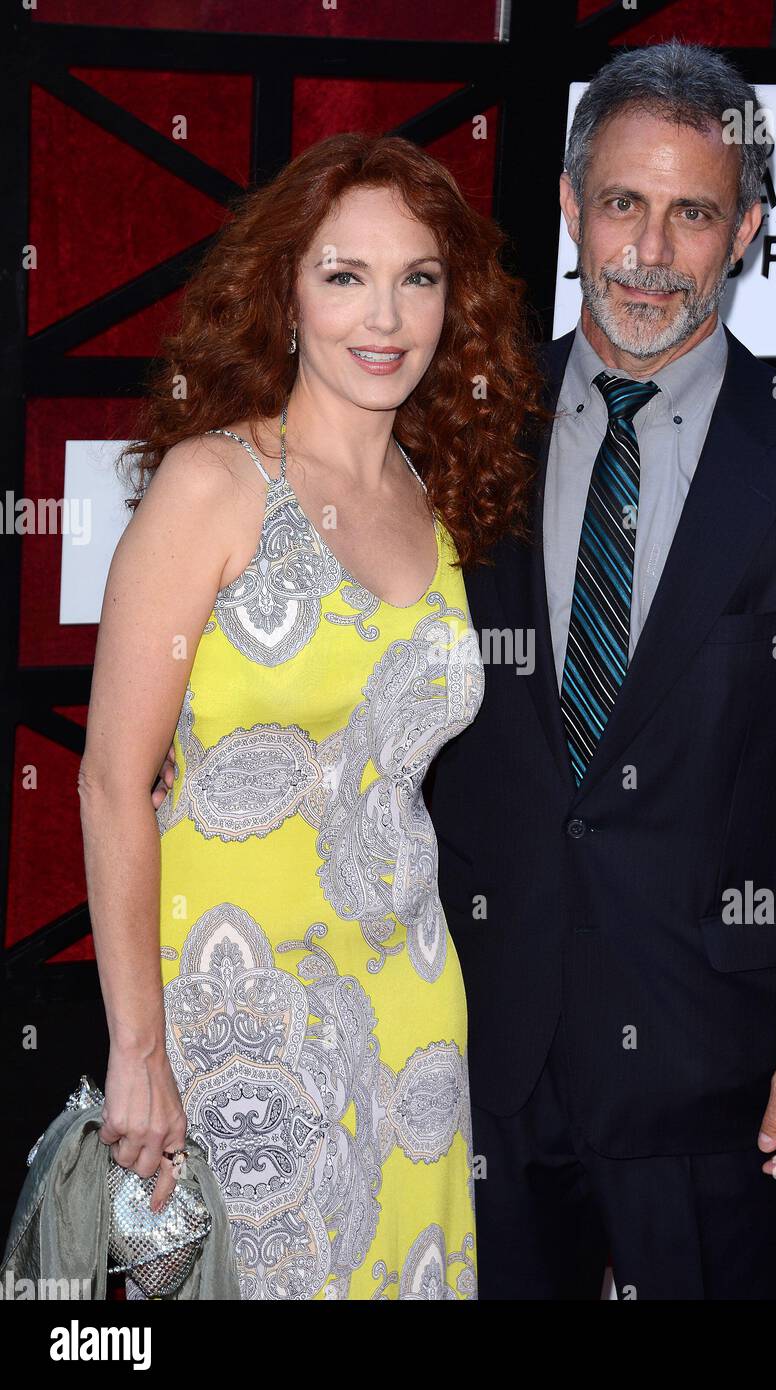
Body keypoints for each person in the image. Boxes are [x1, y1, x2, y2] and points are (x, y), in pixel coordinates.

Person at [424, 41, 776, 1298]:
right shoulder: (456, 424)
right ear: (568, 206)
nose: (649, 251)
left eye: (691, 212)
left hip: (726, 1079)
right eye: (621, 204)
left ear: (747, 227)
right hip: (477, 1057)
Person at [77, 133, 543, 1301]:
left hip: (413, 1005)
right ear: (284, 292)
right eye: (344, 276)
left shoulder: (439, 503)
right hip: (237, 1021)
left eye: (418, 277)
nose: (383, 315)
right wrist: (140, 1049)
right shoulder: (214, 486)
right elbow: (109, 781)